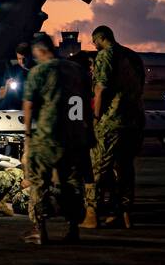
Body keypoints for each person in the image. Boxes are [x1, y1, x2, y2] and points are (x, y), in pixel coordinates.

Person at [21, 32, 86, 244]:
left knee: (40, 182)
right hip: (74, 136)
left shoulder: (38, 72)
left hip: (47, 136)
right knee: (71, 183)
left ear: (40, 51)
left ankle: (40, 230)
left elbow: (29, 105)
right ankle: (73, 228)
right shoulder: (76, 70)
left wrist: (28, 136)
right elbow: (82, 101)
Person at [89, 25, 145, 229]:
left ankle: (91, 213)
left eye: (94, 41)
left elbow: (101, 89)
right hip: (135, 121)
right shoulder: (133, 57)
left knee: (98, 168)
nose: (94, 46)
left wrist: (96, 117)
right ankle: (124, 213)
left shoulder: (105, 56)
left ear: (101, 38)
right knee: (125, 169)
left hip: (112, 121)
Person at [0, 42, 32, 109]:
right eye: (19, 59)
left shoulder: (37, 70)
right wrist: (7, 86)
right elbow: (1, 96)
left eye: (24, 58)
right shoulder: (12, 71)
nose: (22, 62)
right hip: (15, 111)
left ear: (30, 56)